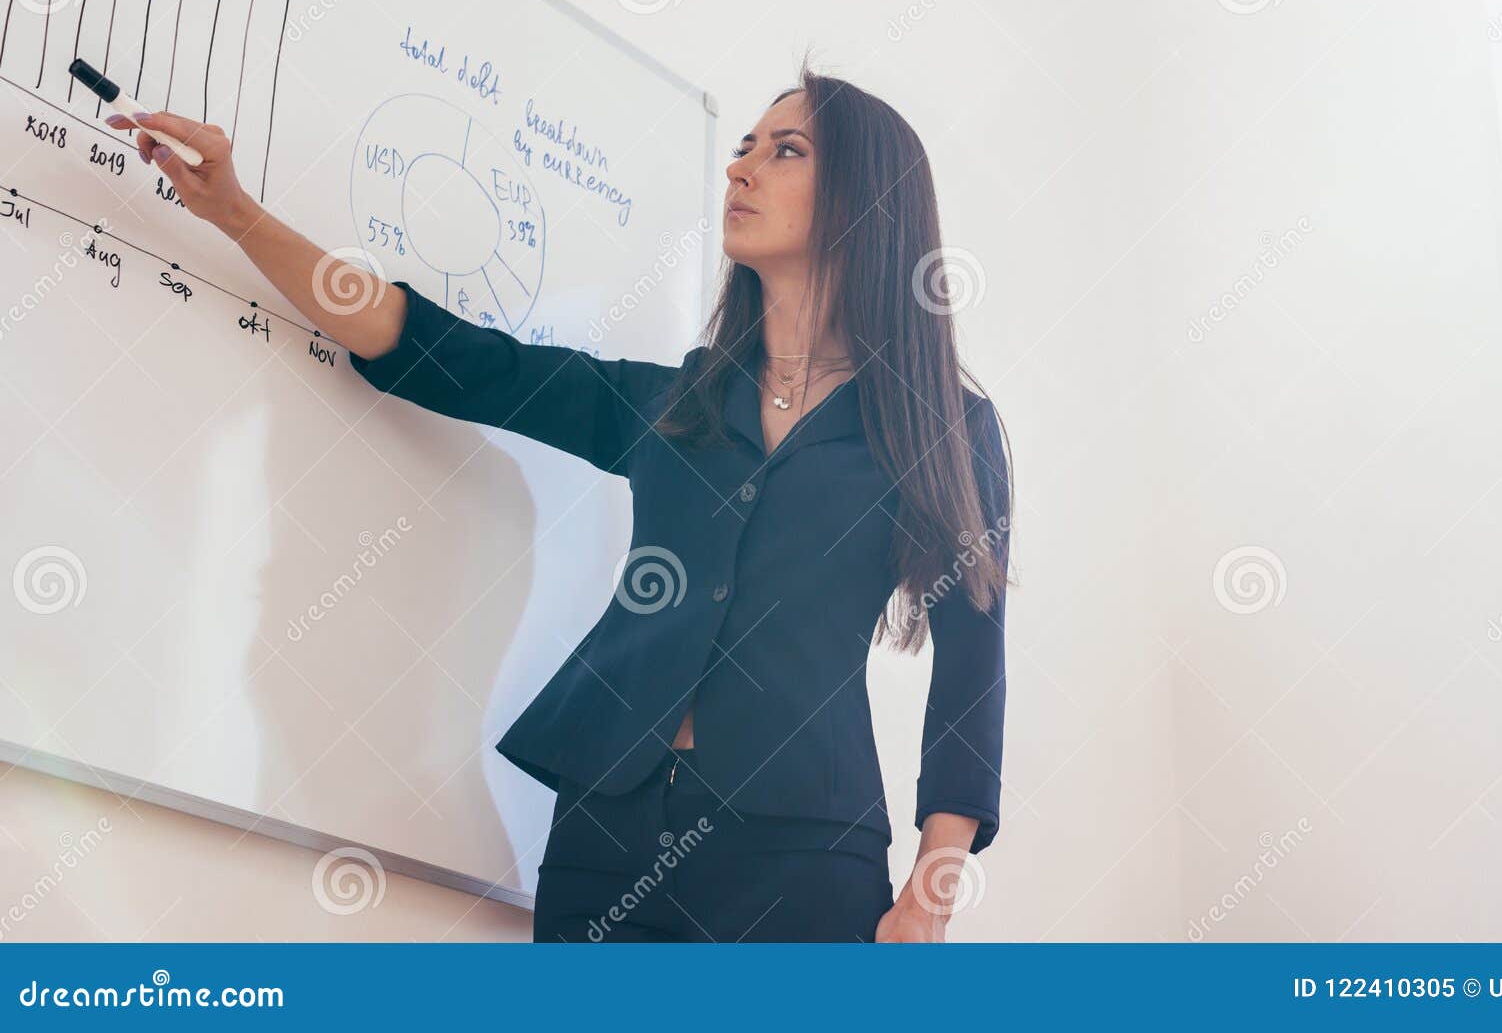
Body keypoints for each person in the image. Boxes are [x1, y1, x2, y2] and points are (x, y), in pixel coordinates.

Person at [111, 61, 1013, 942]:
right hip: (606, 840)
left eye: (784, 151)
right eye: (743, 146)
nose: (739, 167)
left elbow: (972, 673)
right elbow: (454, 357)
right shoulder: (678, 405)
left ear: (864, 199)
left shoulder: (940, 429)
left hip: (803, 858)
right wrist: (235, 213)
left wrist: (927, 898)